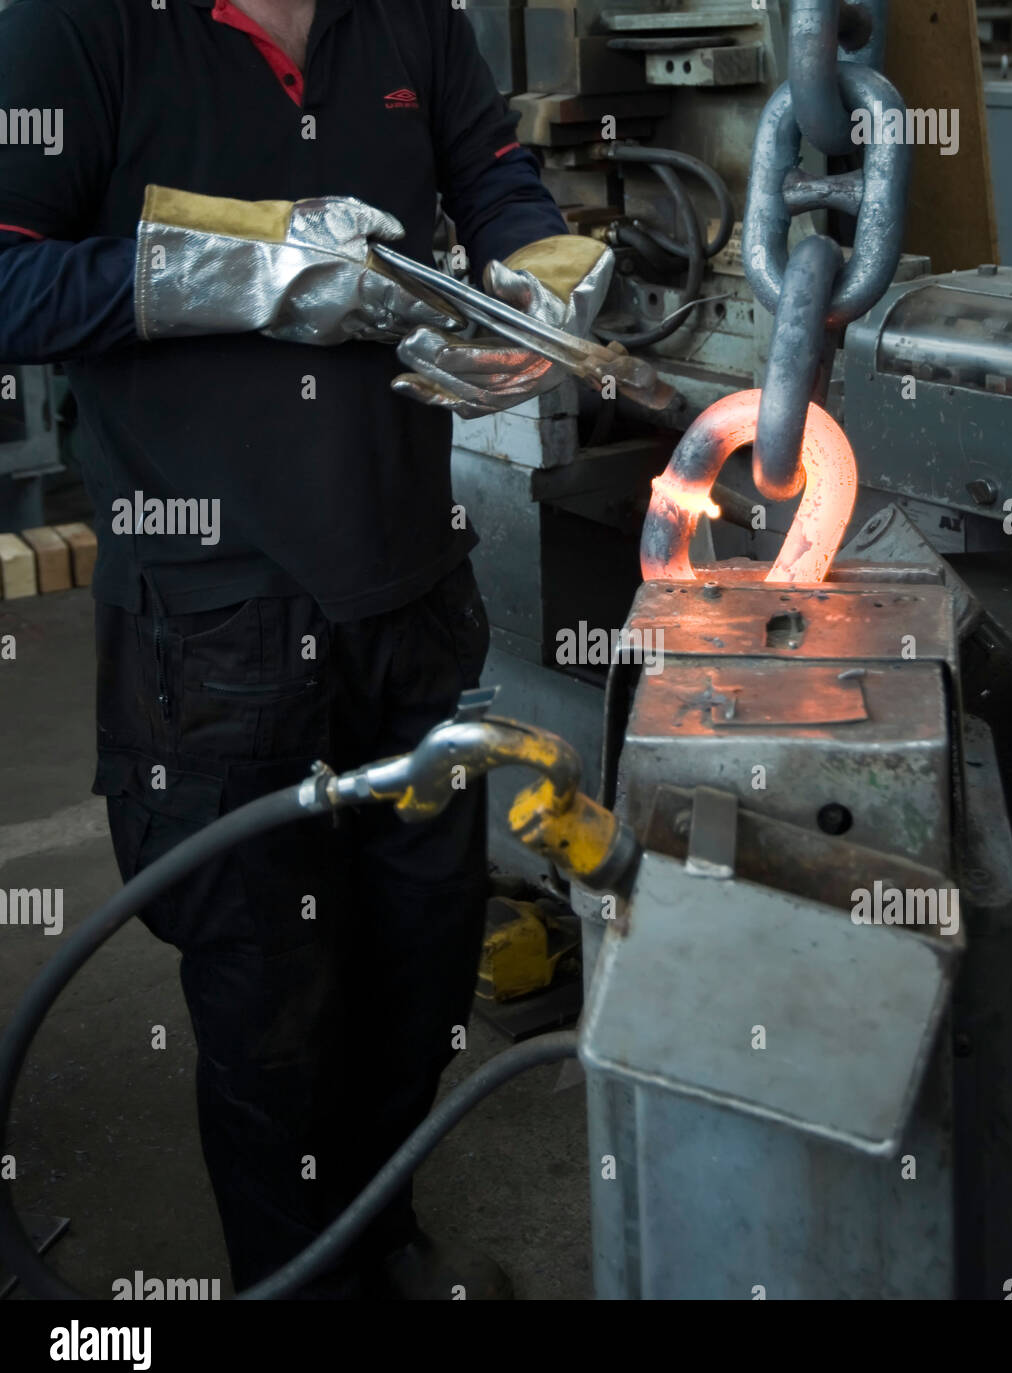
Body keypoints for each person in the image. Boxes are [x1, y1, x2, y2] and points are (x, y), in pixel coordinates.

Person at [0, 0, 613, 1298]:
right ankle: (302, 1283)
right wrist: (242, 270)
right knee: (270, 1004)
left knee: (421, 965)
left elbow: (496, 180)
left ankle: (379, 1242)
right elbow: (8, 280)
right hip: (213, 617)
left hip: (406, 591)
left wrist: (539, 274)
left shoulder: (412, 23)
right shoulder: (74, 31)